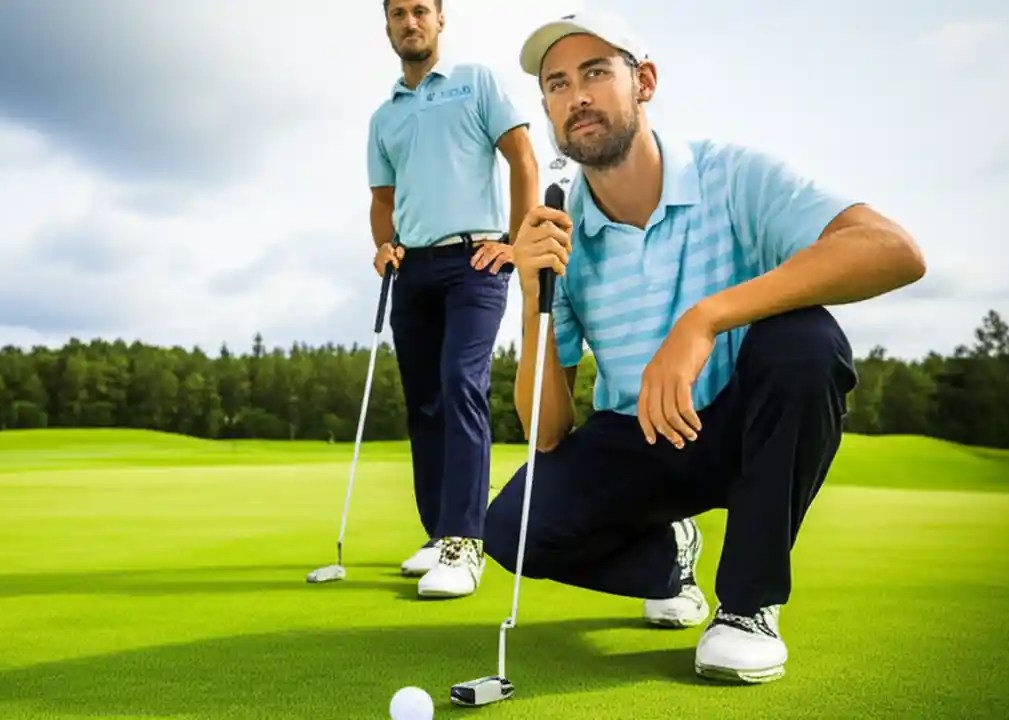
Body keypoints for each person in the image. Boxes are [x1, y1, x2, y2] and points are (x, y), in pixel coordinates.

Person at [484, 6, 926, 682]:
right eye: (556, 83)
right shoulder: (561, 229)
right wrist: (532, 295)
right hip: (639, 441)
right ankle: (671, 559)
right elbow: (546, 431)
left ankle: (747, 607)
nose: (576, 97)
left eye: (597, 72)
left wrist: (706, 319)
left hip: (744, 421)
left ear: (645, 83)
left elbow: (892, 250)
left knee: (805, 341)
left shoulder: (732, 176)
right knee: (511, 526)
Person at [367, 0, 540, 599]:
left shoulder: (476, 82)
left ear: (440, 20)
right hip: (413, 269)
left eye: (420, 11)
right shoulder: (383, 116)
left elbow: (522, 158)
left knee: (459, 381)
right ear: (386, 26)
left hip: (476, 262)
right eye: (397, 13)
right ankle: (438, 532)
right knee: (424, 402)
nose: (409, 22)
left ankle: (465, 542)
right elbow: (383, 202)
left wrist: (516, 244)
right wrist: (383, 245)